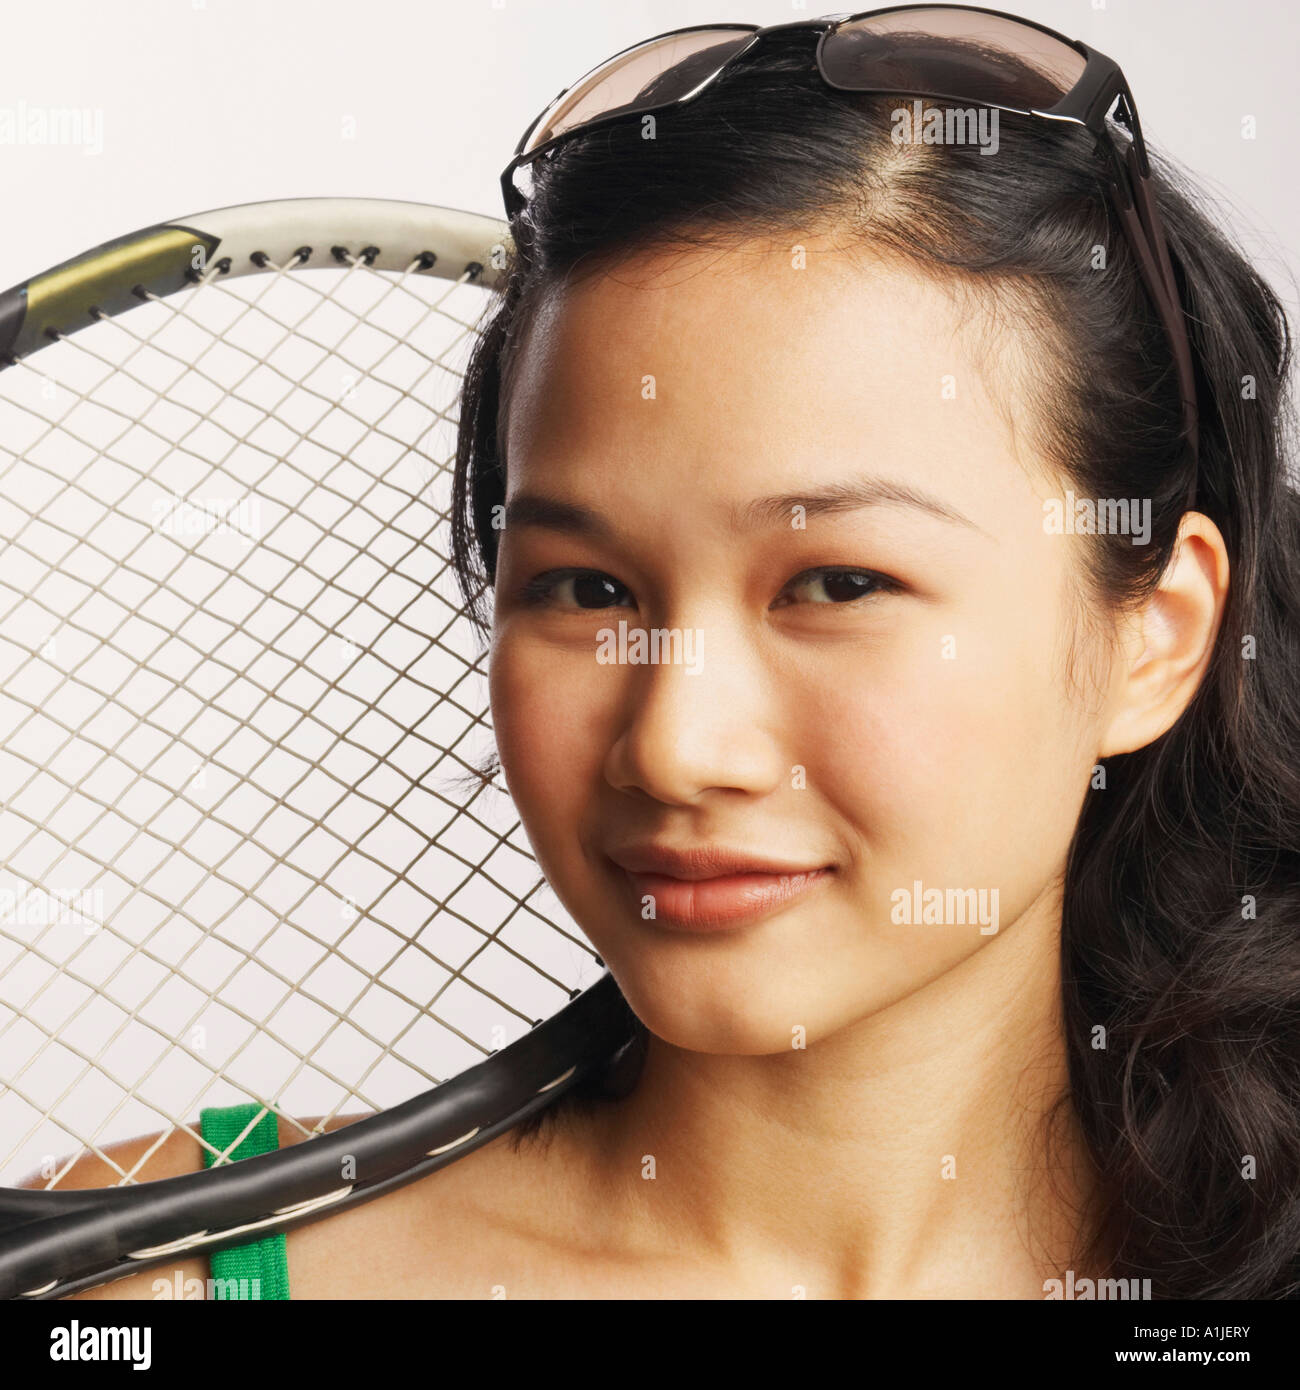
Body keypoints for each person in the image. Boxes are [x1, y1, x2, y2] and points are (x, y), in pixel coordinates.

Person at [75, 8, 1300, 1299]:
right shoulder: (160, 1280)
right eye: (587, 585)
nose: (674, 741)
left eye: (838, 581)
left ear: (1154, 638)